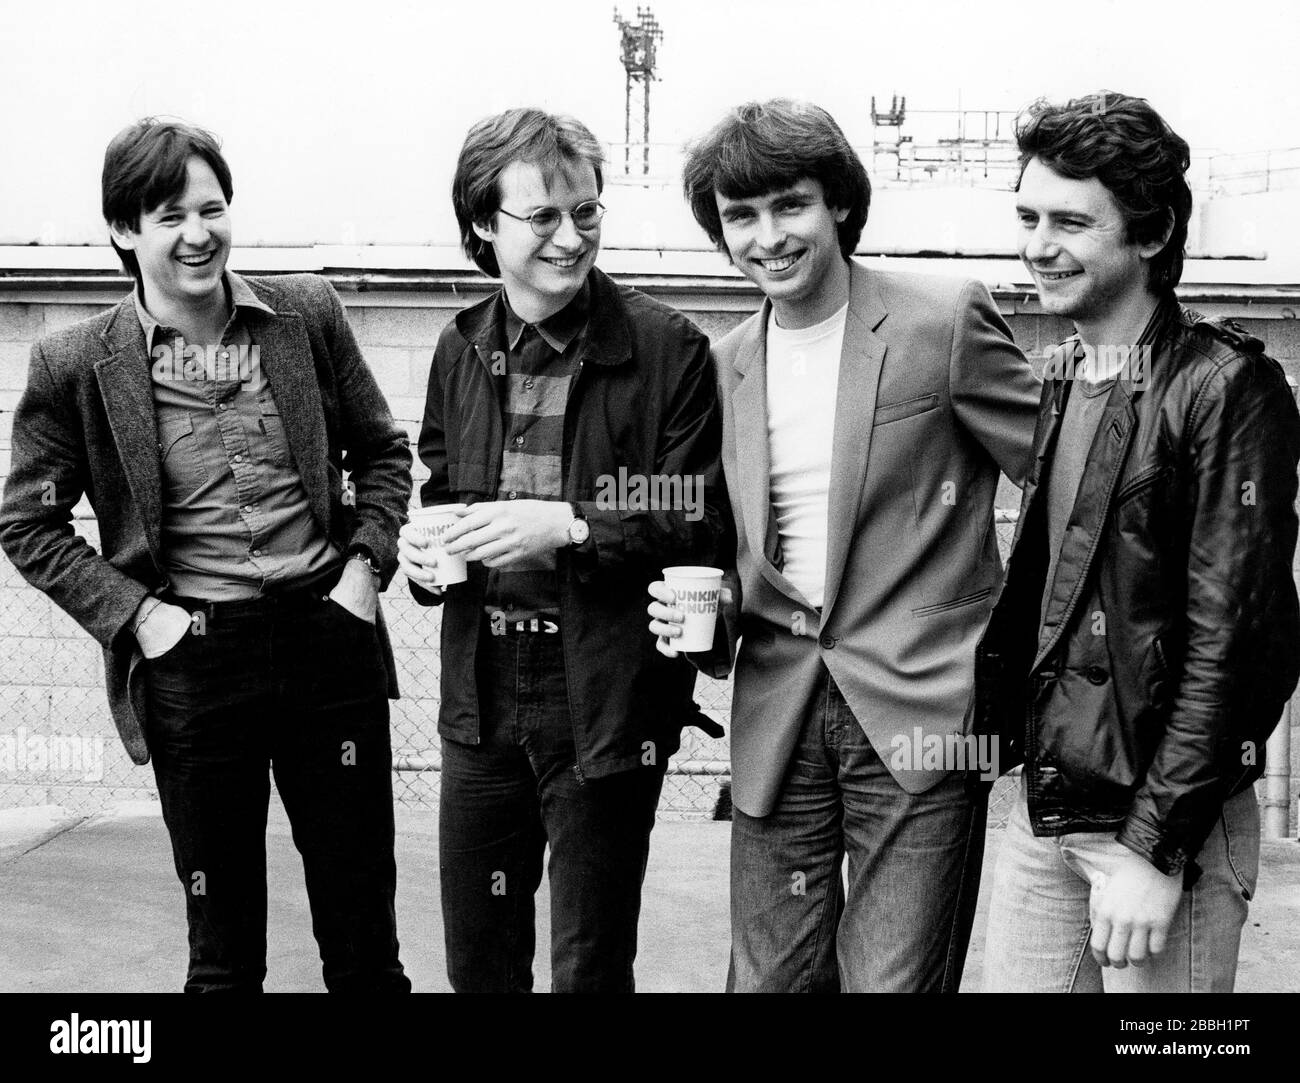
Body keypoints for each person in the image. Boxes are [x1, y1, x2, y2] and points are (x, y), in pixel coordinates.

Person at [0, 118, 413, 992]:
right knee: (222, 953)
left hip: (327, 641)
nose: (198, 234)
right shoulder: (75, 361)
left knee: (364, 937)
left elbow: (382, 453)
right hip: (195, 659)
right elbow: (28, 523)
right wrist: (140, 618)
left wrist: (365, 568)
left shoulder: (305, 315)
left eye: (212, 208)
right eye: (168, 215)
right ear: (122, 230)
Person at [650, 99, 1040, 991]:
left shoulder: (943, 321)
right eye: (740, 216)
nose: (767, 236)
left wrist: (1004, 639)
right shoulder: (723, 362)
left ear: (840, 206)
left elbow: (1068, 487)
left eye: (790, 204)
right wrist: (701, 613)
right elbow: (740, 549)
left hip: (922, 705)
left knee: (892, 983)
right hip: (779, 709)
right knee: (769, 981)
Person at [398, 107, 728, 993]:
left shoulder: (668, 347)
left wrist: (572, 526)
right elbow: (443, 495)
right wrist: (425, 562)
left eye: (585, 212)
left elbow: (696, 510)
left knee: (589, 965)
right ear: (482, 223)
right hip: (482, 692)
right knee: (481, 959)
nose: (570, 236)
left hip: (605, 692)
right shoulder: (459, 345)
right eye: (542, 216)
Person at [978, 91, 1300, 992]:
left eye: (1071, 222)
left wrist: (1156, 848)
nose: (1038, 244)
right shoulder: (1069, 372)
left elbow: (1235, 643)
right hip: (1045, 812)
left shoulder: (1227, 386)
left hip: (1165, 829)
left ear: (1152, 234)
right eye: (1028, 217)